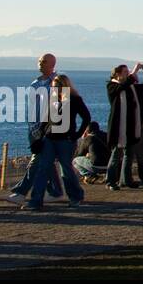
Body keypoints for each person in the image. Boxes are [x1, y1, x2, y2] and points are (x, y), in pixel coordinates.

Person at [23, 74, 90, 211]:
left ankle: (76, 196)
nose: (55, 88)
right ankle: (36, 201)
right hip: (49, 138)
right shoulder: (53, 99)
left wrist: (77, 135)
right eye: (54, 86)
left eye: (58, 86)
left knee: (66, 169)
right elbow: (46, 119)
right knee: (43, 168)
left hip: (65, 140)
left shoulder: (75, 99)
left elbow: (86, 117)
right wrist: (39, 136)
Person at [8, 53, 63, 204]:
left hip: (48, 129)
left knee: (37, 159)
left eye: (44, 61)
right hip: (34, 129)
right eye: (39, 61)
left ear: (52, 63)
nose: (40, 63)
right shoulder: (34, 84)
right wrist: (33, 129)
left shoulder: (57, 82)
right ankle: (55, 191)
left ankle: (21, 192)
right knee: (46, 160)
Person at [105, 63, 143, 191]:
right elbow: (122, 87)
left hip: (131, 124)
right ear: (117, 74)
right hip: (119, 126)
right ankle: (110, 181)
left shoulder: (130, 87)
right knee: (116, 153)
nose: (127, 74)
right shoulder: (112, 86)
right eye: (124, 72)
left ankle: (127, 179)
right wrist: (135, 71)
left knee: (129, 153)